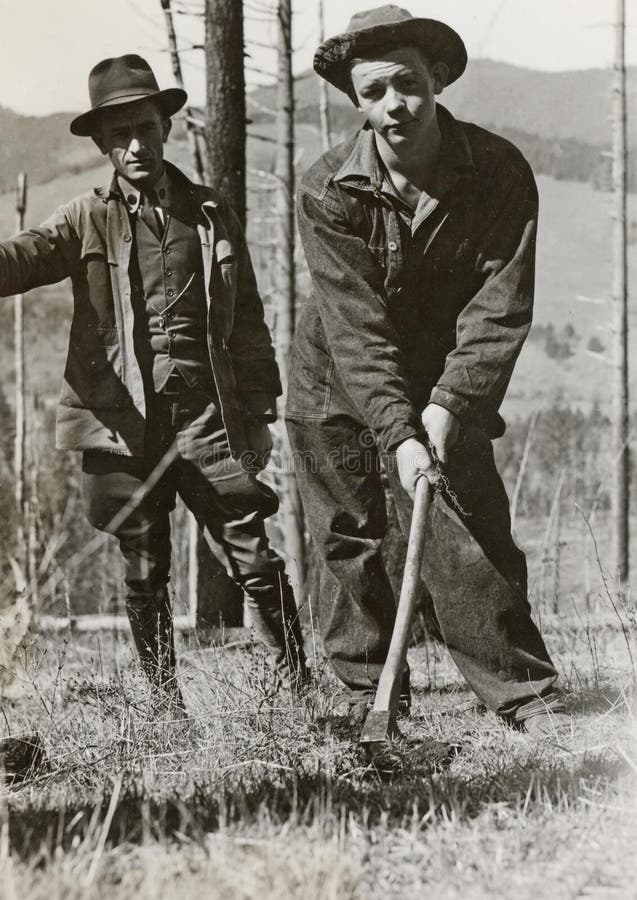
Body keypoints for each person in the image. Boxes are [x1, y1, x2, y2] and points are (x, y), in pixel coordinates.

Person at [286, 6, 567, 734]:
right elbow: (356, 331)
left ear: (437, 78)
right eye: (372, 92)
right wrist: (397, 432)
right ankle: (365, 694)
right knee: (347, 530)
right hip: (337, 376)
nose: (393, 106)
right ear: (355, 100)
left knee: (466, 521)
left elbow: (499, 308)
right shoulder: (326, 190)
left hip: (446, 373)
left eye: (406, 84)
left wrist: (446, 407)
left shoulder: (497, 172)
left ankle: (521, 692)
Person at [0, 55, 308, 704]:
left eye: (144, 127)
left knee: (251, 550)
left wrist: (258, 411)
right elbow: (23, 258)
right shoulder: (85, 218)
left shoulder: (210, 215)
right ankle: (164, 702)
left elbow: (246, 320)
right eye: (119, 135)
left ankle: (299, 684)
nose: (134, 145)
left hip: (208, 418)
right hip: (122, 425)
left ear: (165, 126)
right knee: (144, 568)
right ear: (103, 144)